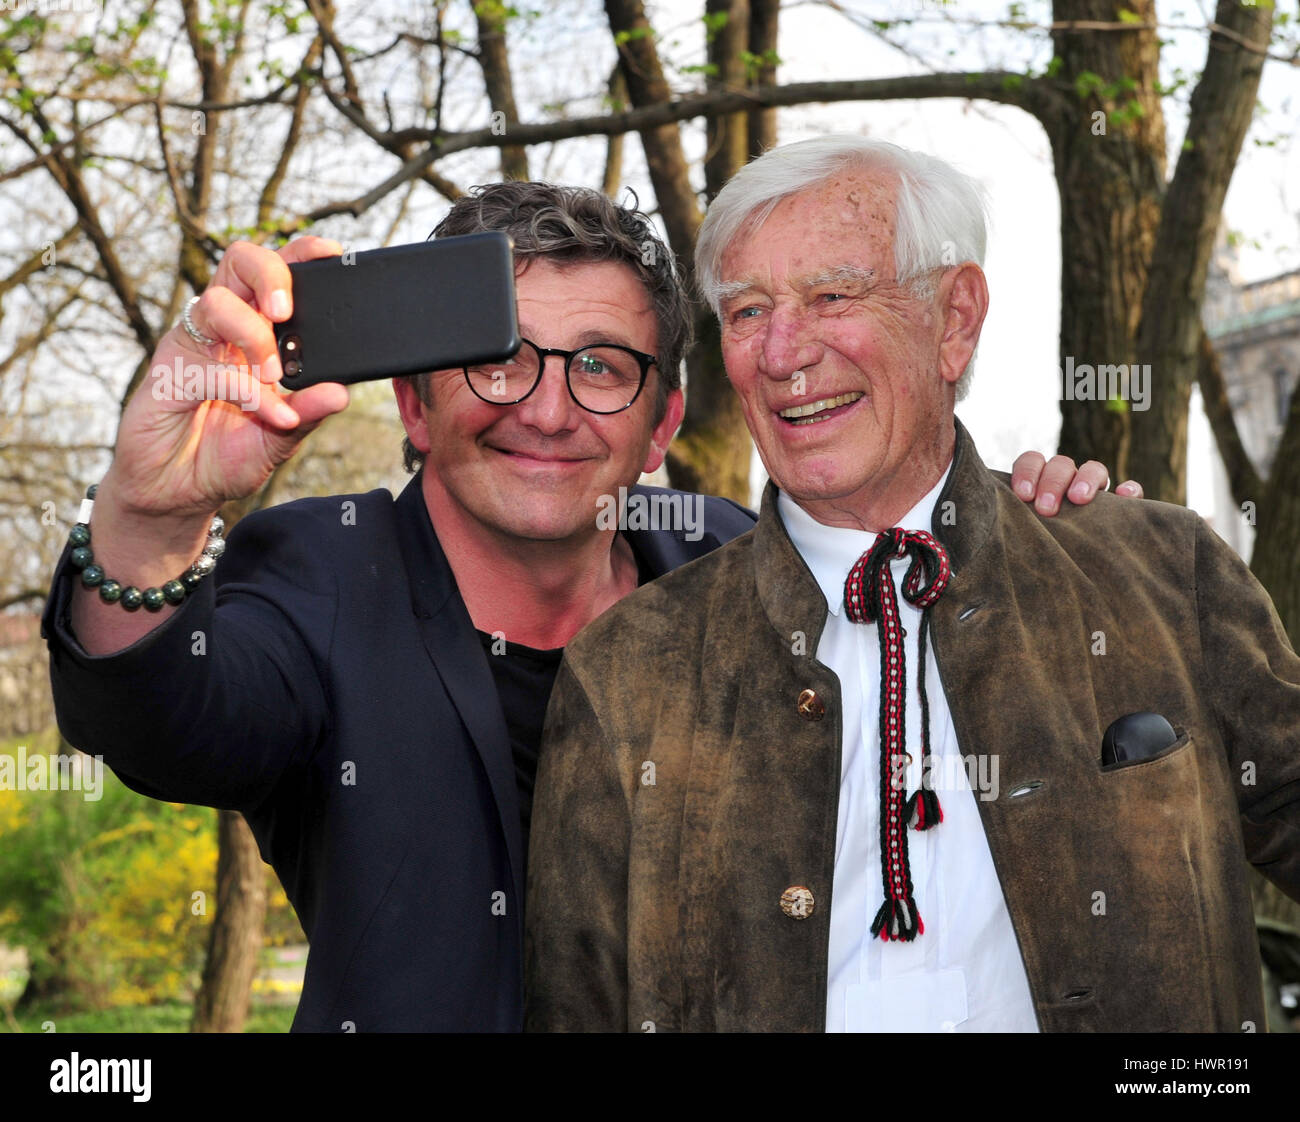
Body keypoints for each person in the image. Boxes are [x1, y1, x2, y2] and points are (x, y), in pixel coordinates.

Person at [44, 180, 1116, 1032]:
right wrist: (148, 515)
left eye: (602, 367)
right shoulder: (324, 574)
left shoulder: (745, 566)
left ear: (662, 425)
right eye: (499, 362)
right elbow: (160, 724)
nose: (548, 411)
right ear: (415, 403)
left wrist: (1039, 533)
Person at [523, 137, 1300, 1033]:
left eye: (832, 296)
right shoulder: (627, 669)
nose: (782, 353)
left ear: (956, 318)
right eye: (745, 312)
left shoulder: (1160, 572)